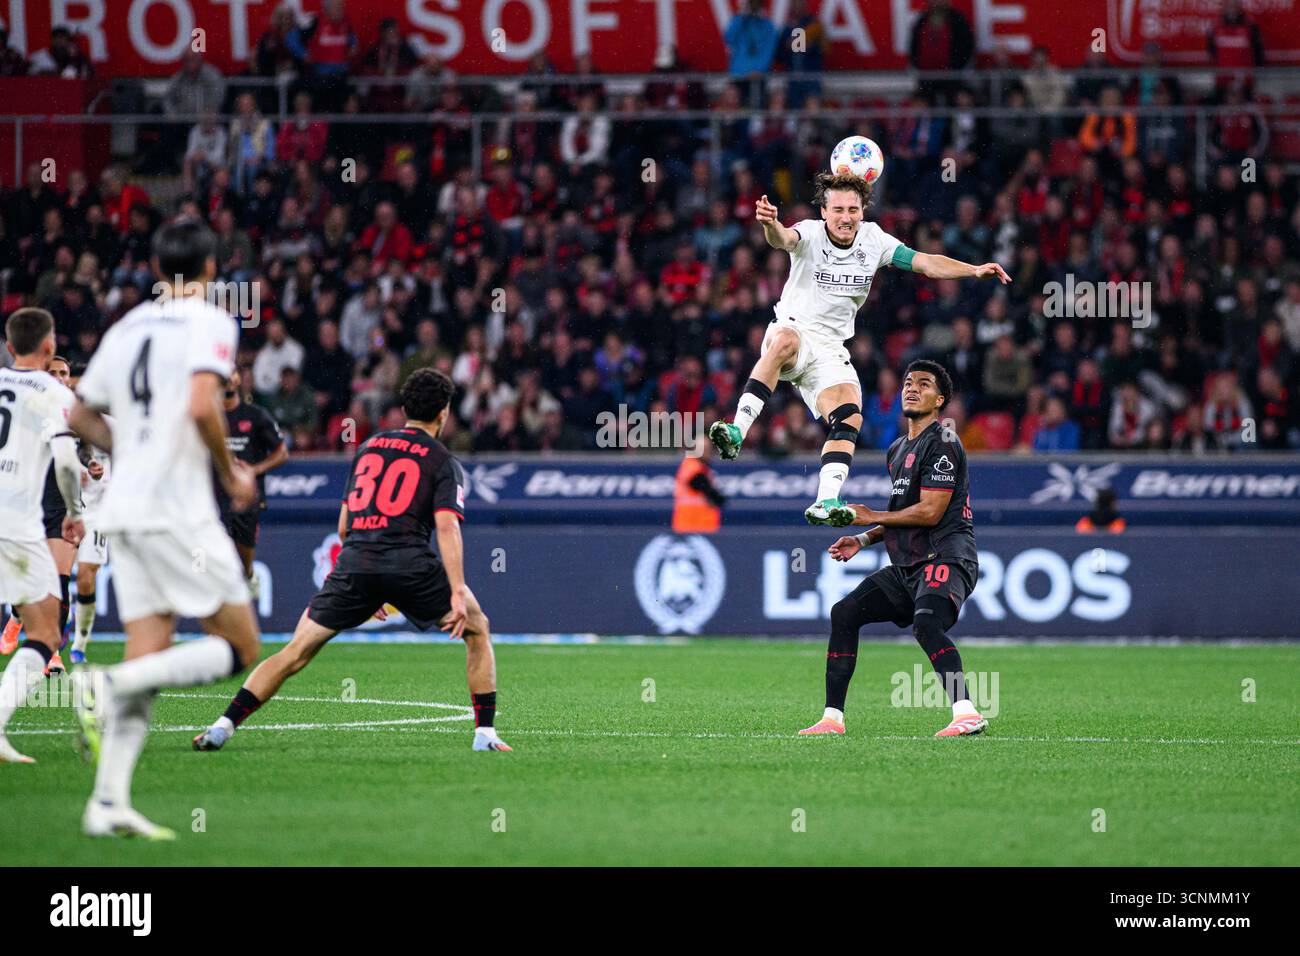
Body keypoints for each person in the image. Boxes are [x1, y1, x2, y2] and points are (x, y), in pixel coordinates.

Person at [192, 369, 511, 754]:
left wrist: (366, 585)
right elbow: (446, 527)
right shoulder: (443, 460)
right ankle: (485, 735)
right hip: (411, 565)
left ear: (404, 407)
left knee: (294, 653)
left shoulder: (369, 448)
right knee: (477, 629)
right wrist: (457, 590)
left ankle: (222, 726)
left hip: (356, 562)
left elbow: (344, 527)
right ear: (443, 413)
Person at [67, 217, 261, 838]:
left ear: (154, 270)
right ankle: (105, 683)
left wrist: (133, 446)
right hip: (177, 510)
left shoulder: (128, 324)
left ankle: (107, 802)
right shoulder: (211, 320)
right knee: (240, 647)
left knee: (149, 653)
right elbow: (203, 403)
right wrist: (230, 471)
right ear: (212, 269)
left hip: (121, 506)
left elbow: (77, 412)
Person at [707, 172, 1008, 527]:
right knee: (786, 341)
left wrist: (973, 270)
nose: (846, 217)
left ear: (863, 211)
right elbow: (782, 239)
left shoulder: (874, 240)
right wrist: (771, 224)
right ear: (824, 211)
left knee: (850, 414)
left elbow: (925, 262)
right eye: (837, 210)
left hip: (831, 349)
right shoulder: (810, 233)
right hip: (794, 330)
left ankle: (825, 500)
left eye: (853, 209)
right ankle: (738, 429)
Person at [800, 360, 988, 738]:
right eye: (907, 382)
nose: (912, 388)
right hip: (908, 564)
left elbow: (932, 511)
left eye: (924, 383)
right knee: (845, 612)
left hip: (947, 556)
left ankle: (967, 712)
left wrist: (869, 514)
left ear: (940, 399)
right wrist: (863, 538)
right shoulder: (897, 449)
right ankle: (832, 718)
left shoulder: (945, 441)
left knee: (927, 623)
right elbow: (903, 514)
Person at [0, 308, 86, 763]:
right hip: (15, 524)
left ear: (10, 347)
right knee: (46, 629)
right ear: (48, 346)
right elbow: (68, 462)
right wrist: (74, 511)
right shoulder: (53, 393)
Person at [0, 354, 79, 672]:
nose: (59, 378)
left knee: (60, 582)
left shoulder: (73, 409)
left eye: (64, 373)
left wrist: (93, 470)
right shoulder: (28, 406)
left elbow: (81, 454)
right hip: (26, 502)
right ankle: (17, 618)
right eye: (53, 372)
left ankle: (53, 652)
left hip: (60, 500)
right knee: (28, 583)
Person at [218, 369, 289, 600]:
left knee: (243, 547)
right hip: (214, 494)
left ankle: (248, 575)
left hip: (247, 496)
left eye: (232, 373)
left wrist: (254, 469)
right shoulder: (209, 416)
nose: (228, 379)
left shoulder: (255, 415)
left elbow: (282, 453)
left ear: (239, 379)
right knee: (218, 555)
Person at [67, 360, 111, 665]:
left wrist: (102, 476)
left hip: (97, 513)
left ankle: (80, 641)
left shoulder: (109, 425)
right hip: (60, 509)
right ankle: (50, 639)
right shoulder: (57, 423)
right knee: (53, 578)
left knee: (85, 577)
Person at [672, 436, 726, 533]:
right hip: (690, 523)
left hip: (702, 524)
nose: (708, 453)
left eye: (709, 449)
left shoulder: (703, 468)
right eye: (704, 449)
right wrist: (717, 497)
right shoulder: (691, 465)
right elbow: (702, 486)